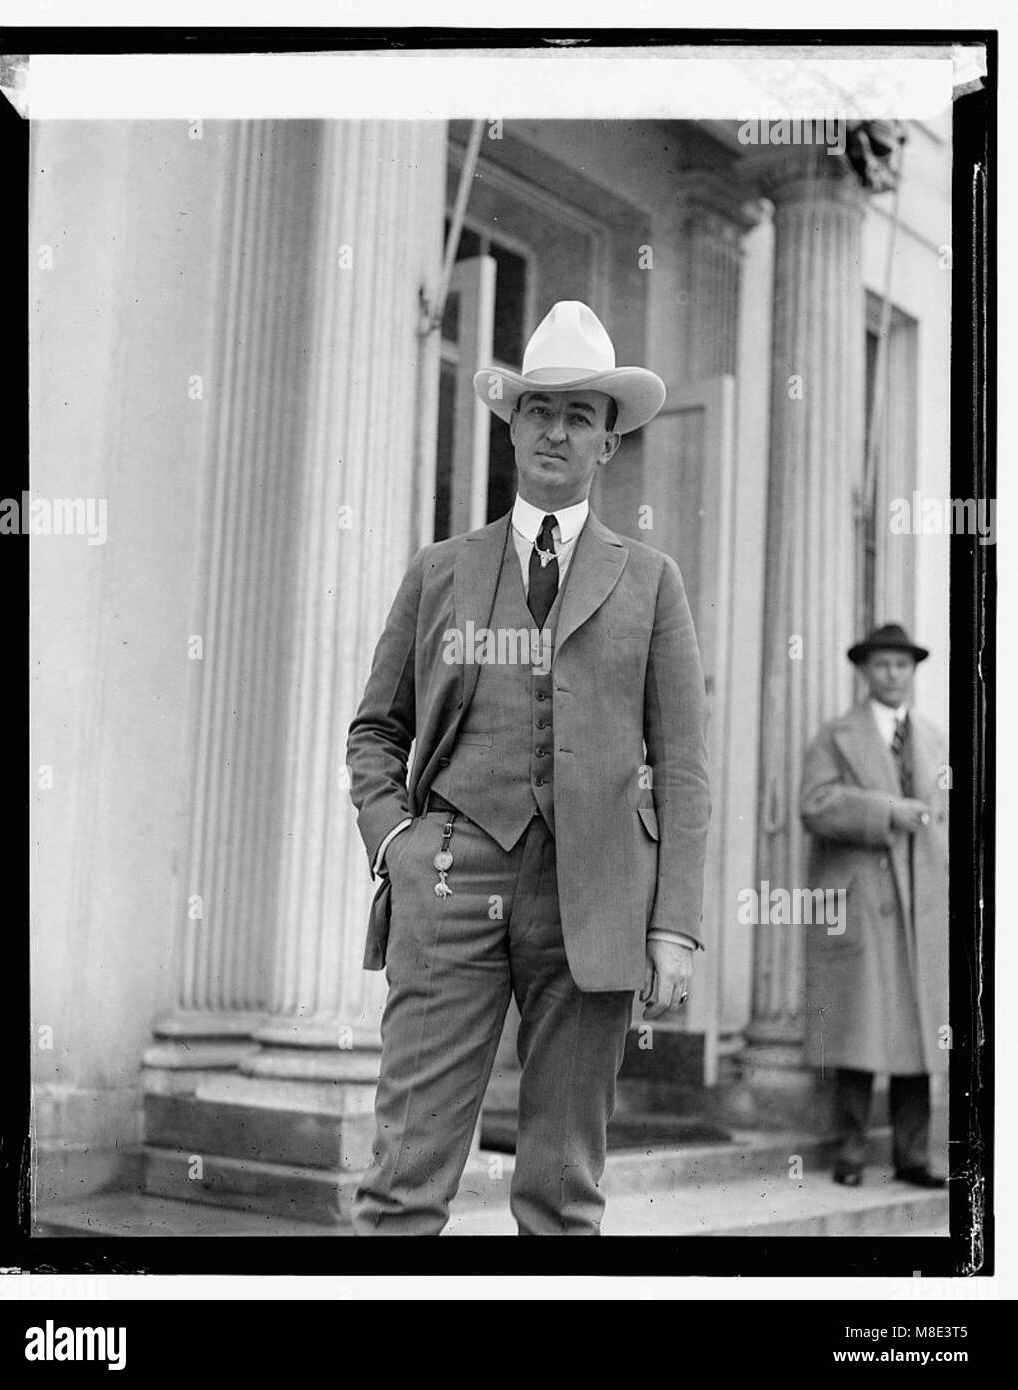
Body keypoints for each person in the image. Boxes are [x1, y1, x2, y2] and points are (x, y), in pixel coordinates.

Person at [345, 300, 710, 1234]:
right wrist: (396, 842)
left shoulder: (650, 580)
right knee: (403, 1178)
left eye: (579, 415)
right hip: (449, 877)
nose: (555, 430)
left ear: (607, 445)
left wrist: (672, 928)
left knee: (561, 1191)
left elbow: (682, 767)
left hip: (592, 896)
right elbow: (375, 731)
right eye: (539, 409)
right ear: (511, 425)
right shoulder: (440, 570)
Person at [801, 623, 948, 1188]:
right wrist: (886, 810)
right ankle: (850, 1154)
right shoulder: (837, 736)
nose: (893, 675)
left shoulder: (936, 741)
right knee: (857, 1032)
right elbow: (815, 805)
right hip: (866, 902)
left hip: (925, 910)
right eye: (883, 665)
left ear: (913, 671)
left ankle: (913, 1158)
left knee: (919, 1039)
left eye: (902, 665)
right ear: (865, 672)